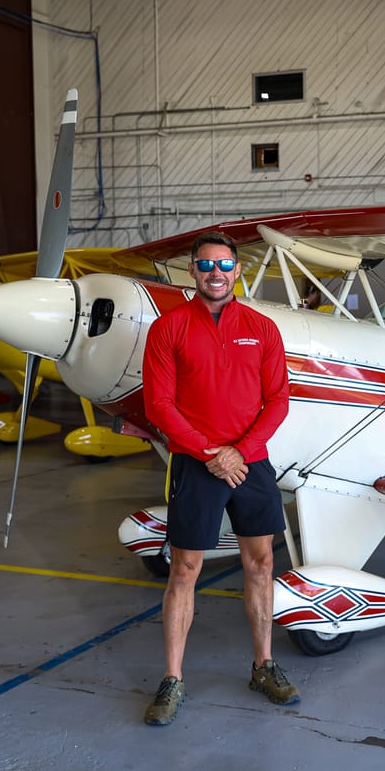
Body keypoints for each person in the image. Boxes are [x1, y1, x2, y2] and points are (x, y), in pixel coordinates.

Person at [140, 231, 298, 726]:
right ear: (192, 270)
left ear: (237, 271)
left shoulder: (263, 328)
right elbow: (158, 404)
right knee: (184, 569)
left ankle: (263, 666)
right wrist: (211, 453)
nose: (216, 273)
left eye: (226, 265)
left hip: (249, 463)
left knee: (261, 561)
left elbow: (278, 401)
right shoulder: (168, 329)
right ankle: (172, 678)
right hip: (196, 462)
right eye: (207, 265)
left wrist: (240, 453)